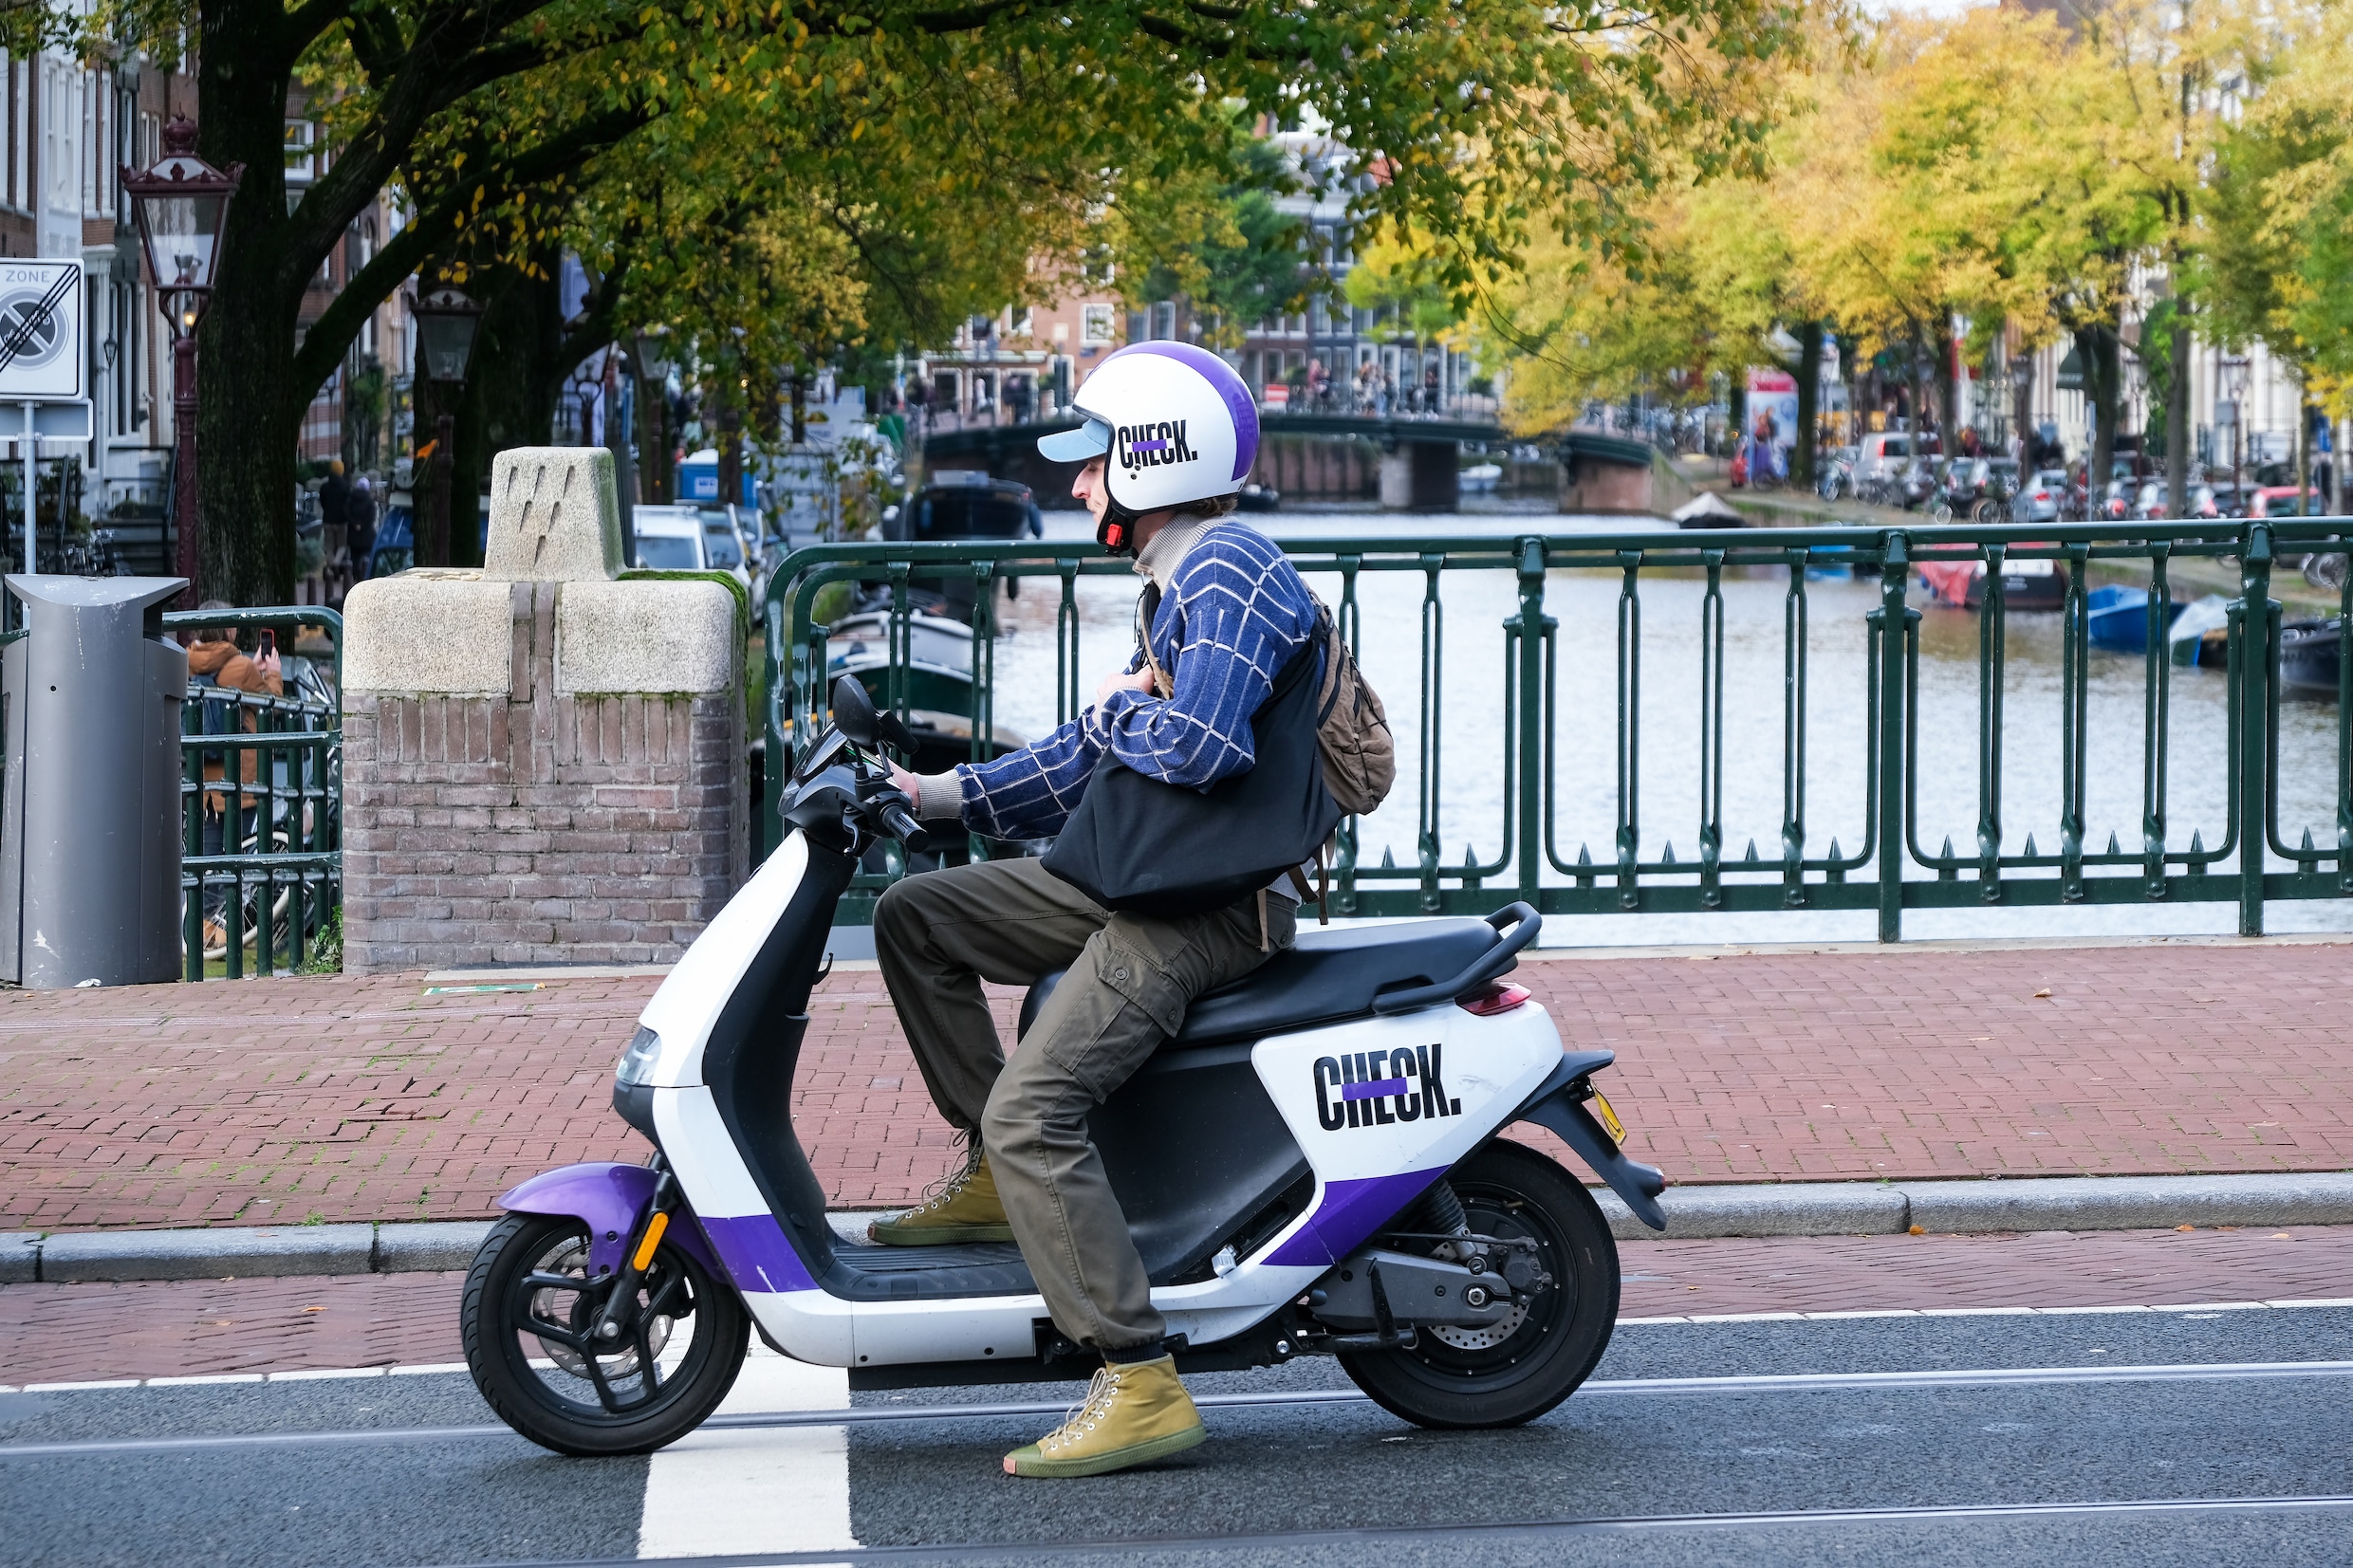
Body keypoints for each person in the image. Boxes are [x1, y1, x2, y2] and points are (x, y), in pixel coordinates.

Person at [870, 341, 1318, 1480]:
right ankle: (992, 1183)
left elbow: (1202, 746)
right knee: (917, 919)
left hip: (1202, 908)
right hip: (1141, 872)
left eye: (1095, 465)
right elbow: (1089, 758)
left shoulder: (1227, 575)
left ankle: (1136, 1379)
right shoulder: (1181, 574)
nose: (1076, 488)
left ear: (1156, 460)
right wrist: (933, 794)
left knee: (1038, 1111)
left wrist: (1119, 715)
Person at [345, 476, 378, 584]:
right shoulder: (369, 501)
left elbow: (347, 512)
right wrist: (362, 525)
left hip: (353, 533)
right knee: (365, 555)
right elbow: (371, 517)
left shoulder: (351, 498)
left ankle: (355, 574)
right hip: (366, 533)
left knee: (354, 555)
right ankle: (363, 575)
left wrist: (355, 524)